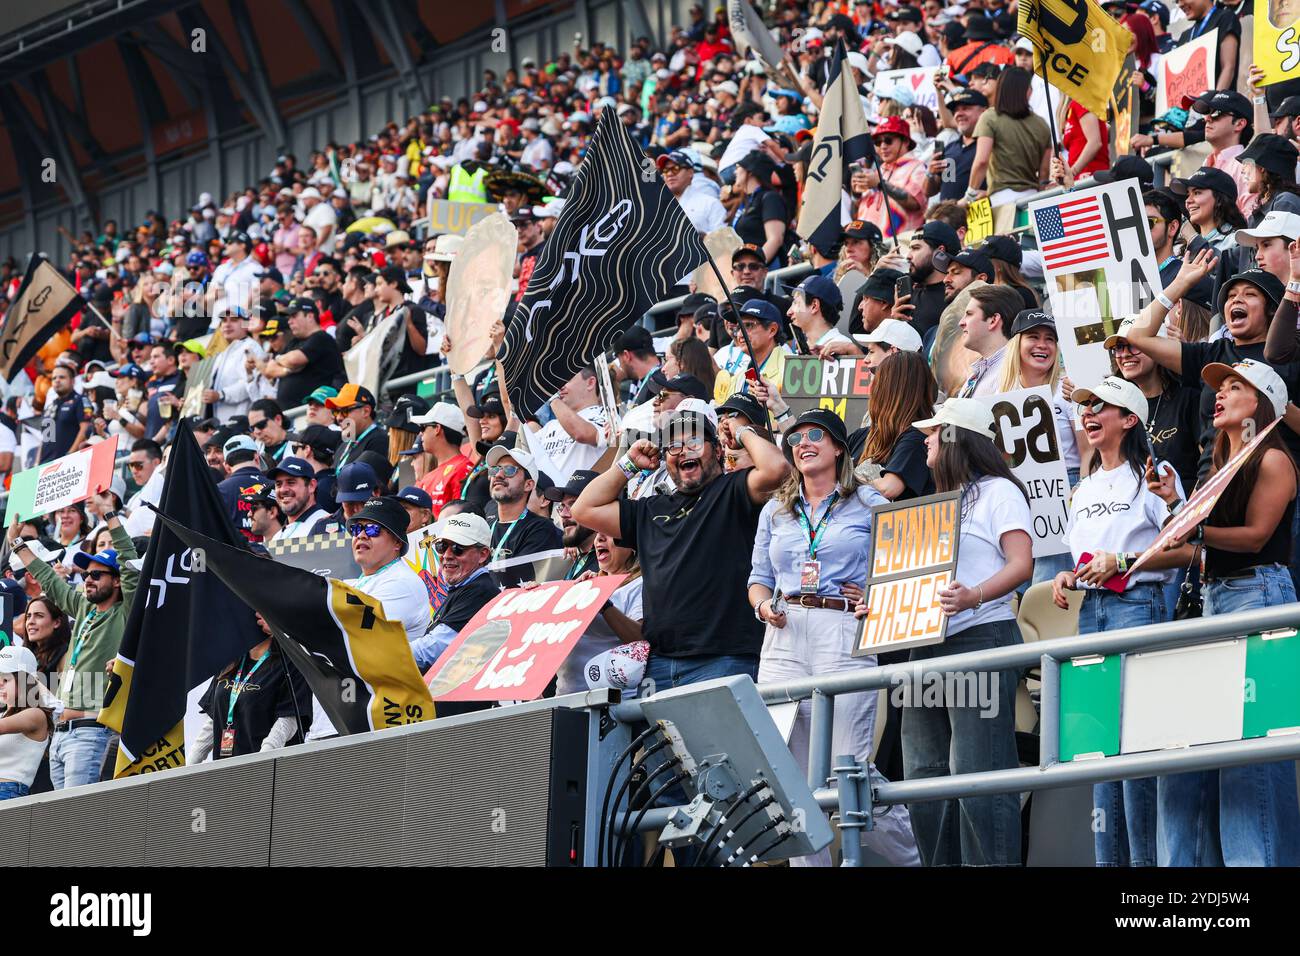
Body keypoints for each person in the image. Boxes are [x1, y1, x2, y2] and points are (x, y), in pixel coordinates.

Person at [748, 409, 920, 867]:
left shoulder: (869, 502)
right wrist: (763, 606)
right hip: (782, 637)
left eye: (815, 435)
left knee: (849, 769)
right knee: (793, 776)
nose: (804, 443)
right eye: (796, 437)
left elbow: (910, 569)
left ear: (839, 447)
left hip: (843, 628)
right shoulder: (775, 509)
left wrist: (879, 595)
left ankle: (911, 859)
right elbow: (758, 578)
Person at [1148, 360, 1300, 866]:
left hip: (1258, 596)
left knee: (1252, 754)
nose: (1220, 394)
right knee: (1224, 751)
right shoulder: (1218, 464)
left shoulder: (1274, 460)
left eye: (1235, 387)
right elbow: (1201, 548)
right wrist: (1174, 507)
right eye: (1220, 387)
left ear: (1260, 404)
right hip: (1219, 599)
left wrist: (1188, 530)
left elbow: (1255, 538)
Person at [883, 397, 1032, 866]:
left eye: (933, 433)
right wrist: (883, 604)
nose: (924, 440)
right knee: (923, 777)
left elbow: (1022, 564)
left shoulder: (998, 492)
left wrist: (976, 596)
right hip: (925, 646)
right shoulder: (934, 503)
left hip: (980, 638)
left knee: (976, 774)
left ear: (955, 438)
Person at [1052, 376, 1191, 867]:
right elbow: (1086, 555)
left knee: (1137, 752)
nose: (1089, 412)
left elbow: (1182, 549)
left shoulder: (1154, 471)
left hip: (1139, 607)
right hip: (1093, 612)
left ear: (1129, 419)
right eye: (1086, 405)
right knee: (1101, 751)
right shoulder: (1085, 485)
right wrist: (1068, 575)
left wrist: (1123, 560)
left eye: (1102, 406)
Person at [573, 406, 790, 692]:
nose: (683, 451)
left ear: (718, 451)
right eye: (673, 446)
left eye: (695, 442)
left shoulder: (733, 490)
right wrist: (629, 463)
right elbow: (583, 509)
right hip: (660, 665)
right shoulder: (650, 510)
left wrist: (739, 431)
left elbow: (778, 469)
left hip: (724, 659)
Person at [9, 505, 137, 789]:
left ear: (116, 581)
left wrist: (109, 514)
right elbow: (50, 581)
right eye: (87, 574)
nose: (88, 580)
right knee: (62, 820)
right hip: (62, 735)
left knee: (76, 822)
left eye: (97, 575)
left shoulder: (125, 613)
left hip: (90, 731)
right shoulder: (83, 609)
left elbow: (129, 562)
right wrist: (17, 545)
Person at [306, 497, 432, 742]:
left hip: (375, 724)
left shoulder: (402, 583)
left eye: (373, 529)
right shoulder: (351, 584)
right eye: (356, 528)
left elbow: (351, 636)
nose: (361, 535)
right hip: (335, 720)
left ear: (397, 541)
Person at [410, 512, 499, 718]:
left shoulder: (480, 590)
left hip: (462, 717)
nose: (447, 555)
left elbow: (433, 649)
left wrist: (385, 656)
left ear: (483, 554)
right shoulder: (464, 588)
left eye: (458, 548)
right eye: (442, 547)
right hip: (448, 711)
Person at [190, 610, 311, 762]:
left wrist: (263, 759)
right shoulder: (230, 660)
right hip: (225, 771)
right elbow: (214, 720)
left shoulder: (290, 663)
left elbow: (289, 721)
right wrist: (190, 764)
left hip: (269, 770)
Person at [851, 351, 937, 501]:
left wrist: (845, 482)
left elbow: (889, 488)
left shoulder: (917, 437)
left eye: (877, 380)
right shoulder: (862, 436)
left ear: (889, 389)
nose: (871, 386)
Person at [968, 67, 1051, 207]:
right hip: (1033, 197)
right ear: (1027, 91)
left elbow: (981, 161)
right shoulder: (1041, 124)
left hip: (1001, 199)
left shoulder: (989, 117)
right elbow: (1044, 172)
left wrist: (970, 194)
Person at [484, 446, 562, 587]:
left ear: (528, 485)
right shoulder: (485, 528)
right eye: (495, 469)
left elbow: (517, 579)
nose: (499, 475)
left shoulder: (540, 528)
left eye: (509, 470)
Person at [256, 297, 345, 409]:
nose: (289, 321)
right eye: (289, 317)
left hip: (313, 409)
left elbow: (294, 359)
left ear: (310, 316)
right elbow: (269, 370)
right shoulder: (294, 342)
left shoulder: (322, 338)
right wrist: (288, 370)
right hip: (291, 412)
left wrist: (280, 360)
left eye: (294, 316)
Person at [529, 367, 608, 483]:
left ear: (590, 383)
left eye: (566, 379)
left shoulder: (606, 416)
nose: (559, 387)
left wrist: (551, 398)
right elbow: (522, 450)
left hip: (580, 499)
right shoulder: (550, 426)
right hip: (547, 499)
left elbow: (582, 433)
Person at [853, 116, 927, 240]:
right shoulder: (879, 170)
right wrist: (856, 193)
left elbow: (915, 203)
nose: (883, 146)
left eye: (888, 140)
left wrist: (880, 184)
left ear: (906, 142)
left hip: (900, 247)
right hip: (870, 247)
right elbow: (859, 210)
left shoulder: (917, 167)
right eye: (877, 142)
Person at [0, 645, 51, 800]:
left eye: (6, 678)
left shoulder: (36, 714)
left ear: (25, 681)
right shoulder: (3, 715)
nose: (0, 683)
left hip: (7, 791)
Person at [955, 286, 1020, 398]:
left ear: (993, 320)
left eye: (969, 314)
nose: (961, 323)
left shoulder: (1014, 372)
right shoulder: (977, 373)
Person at [412, 402, 474, 517]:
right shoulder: (428, 477)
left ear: (437, 429)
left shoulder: (462, 468)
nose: (420, 434)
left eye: (423, 427)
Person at [729, 150, 788, 267]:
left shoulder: (770, 198)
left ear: (750, 172)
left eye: (738, 167)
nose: (735, 172)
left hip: (764, 274)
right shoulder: (748, 201)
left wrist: (754, 267)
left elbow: (775, 239)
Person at [38, 364, 92, 464]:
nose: (57, 380)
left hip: (69, 463)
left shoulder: (81, 400)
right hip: (45, 464)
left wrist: (70, 454)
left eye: (62, 377)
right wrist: (37, 463)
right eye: (54, 378)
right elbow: (45, 438)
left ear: (73, 381)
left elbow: (85, 428)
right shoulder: (50, 406)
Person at [266, 457, 329, 541]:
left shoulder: (327, 526)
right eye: (278, 484)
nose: (283, 489)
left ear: (311, 486)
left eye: (291, 482)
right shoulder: (277, 536)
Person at [328, 384, 389, 468]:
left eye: (344, 411)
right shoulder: (344, 444)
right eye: (336, 412)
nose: (338, 418)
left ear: (366, 411)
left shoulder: (379, 441)